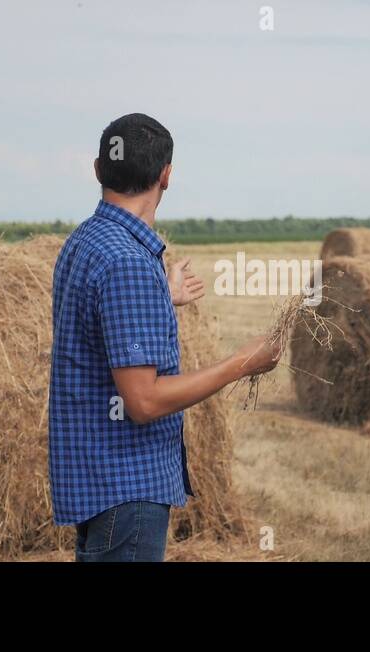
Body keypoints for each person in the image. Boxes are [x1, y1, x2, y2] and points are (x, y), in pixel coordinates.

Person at [48, 113, 281, 562]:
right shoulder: (128, 262)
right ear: (166, 176)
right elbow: (144, 402)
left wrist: (158, 297)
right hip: (126, 486)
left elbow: (96, 326)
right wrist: (243, 363)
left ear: (99, 170)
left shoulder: (87, 241)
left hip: (96, 483)